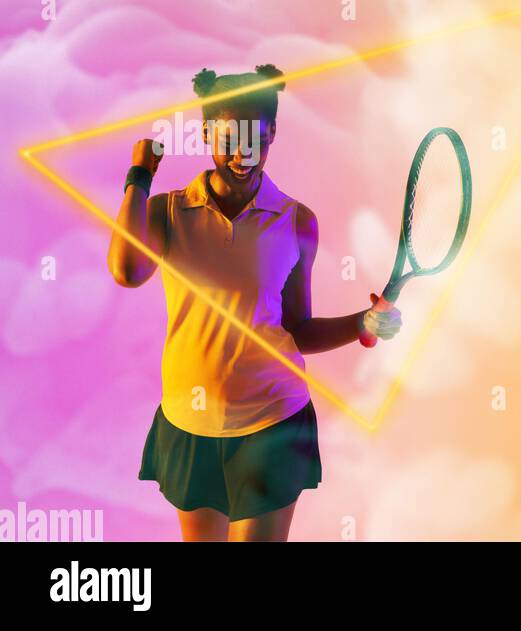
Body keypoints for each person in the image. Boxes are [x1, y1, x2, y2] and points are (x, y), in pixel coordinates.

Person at [107, 64, 401, 541]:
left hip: (272, 422)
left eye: (256, 140)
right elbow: (126, 271)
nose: (242, 155)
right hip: (189, 424)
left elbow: (298, 329)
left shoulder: (295, 221)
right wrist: (139, 175)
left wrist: (362, 322)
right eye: (228, 140)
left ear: (272, 137)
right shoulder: (167, 211)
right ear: (206, 134)